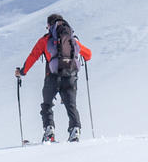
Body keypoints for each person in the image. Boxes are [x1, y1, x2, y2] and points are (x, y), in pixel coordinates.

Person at [16, 13, 93, 142]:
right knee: (71, 105)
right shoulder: (72, 40)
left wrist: (22, 72)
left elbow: (33, 56)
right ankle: (75, 130)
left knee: (47, 105)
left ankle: (49, 130)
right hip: (70, 76)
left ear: (49, 25)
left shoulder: (45, 40)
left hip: (52, 77)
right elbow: (89, 54)